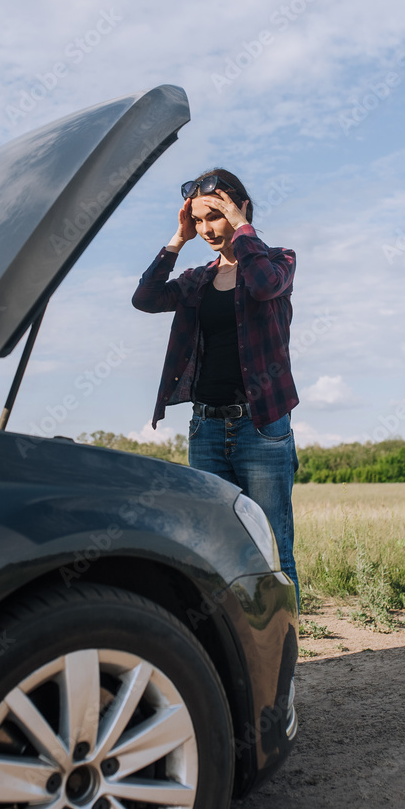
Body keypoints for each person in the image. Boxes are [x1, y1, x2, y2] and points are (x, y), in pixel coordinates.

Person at [131, 168, 300, 606]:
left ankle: (285, 664)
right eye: (199, 221)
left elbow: (262, 286)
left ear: (239, 210)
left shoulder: (279, 261)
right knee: (214, 549)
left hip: (261, 429)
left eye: (215, 217)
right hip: (205, 429)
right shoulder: (197, 280)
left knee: (272, 547)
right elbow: (145, 298)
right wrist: (177, 238)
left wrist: (241, 227)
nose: (207, 230)